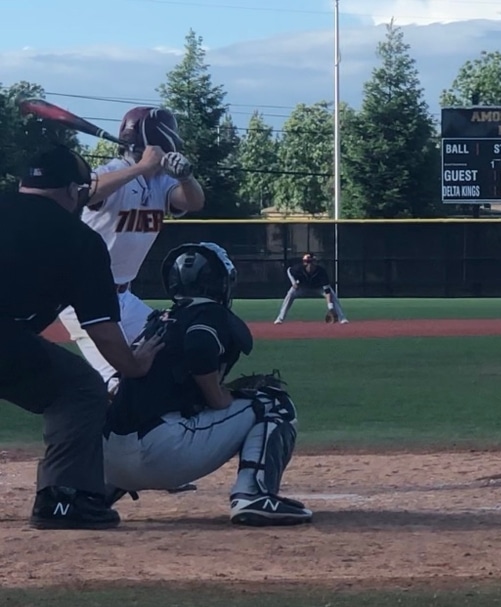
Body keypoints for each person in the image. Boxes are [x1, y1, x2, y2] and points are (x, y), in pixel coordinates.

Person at [0, 146, 163, 530]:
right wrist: (135, 365)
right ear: (74, 192)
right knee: (80, 389)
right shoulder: (80, 239)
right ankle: (64, 499)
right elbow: (103, 331)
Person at [103, 242, 313, 527]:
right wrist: (218, 396)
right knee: (273, 403)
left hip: (109, 460)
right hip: (161, 452)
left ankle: (93, 495)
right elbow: (201, 347)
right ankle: (253, 494)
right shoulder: (209, 314)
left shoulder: (158, 320)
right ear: (220, 282)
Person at [57, 106, 205, 396]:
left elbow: (194, 202)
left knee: (170, 346)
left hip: (122, 295)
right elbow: (89, 193)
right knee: (117, 384)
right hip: (81, 295)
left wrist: (187, 177)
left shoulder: (163, 182)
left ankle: (154, 434)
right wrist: (140, 168)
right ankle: (103, 439)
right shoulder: (111, 172)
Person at [273, 253, 348, 324]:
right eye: (306, 262)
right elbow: (289, 270)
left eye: (310, 262)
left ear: (315, 262)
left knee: (332, 295)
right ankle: (280, 318)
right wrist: (293, 282)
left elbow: (327, 290)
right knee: (290, 294)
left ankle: (342, 318)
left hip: (318, 288)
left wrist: (330, 307)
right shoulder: (298, 268)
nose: (309, 264)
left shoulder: (321, 271)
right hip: (303, 288)